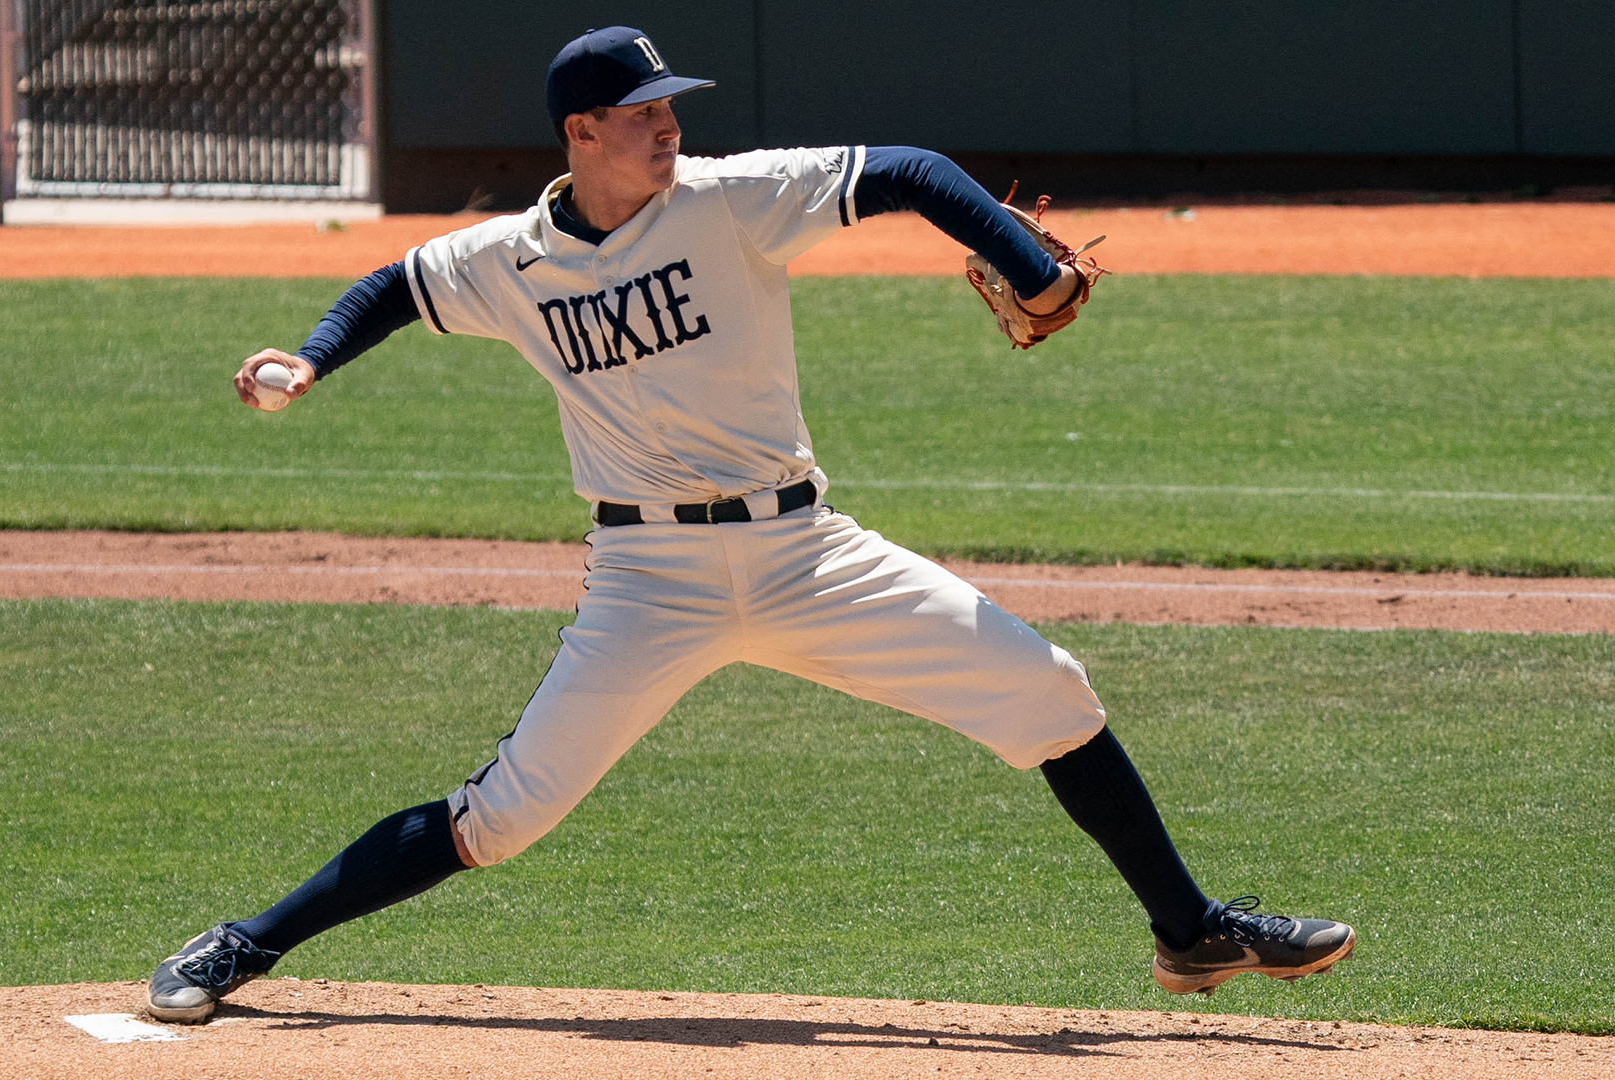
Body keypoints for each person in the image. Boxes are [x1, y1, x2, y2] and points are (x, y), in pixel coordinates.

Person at [146, 26, 1353, 1023]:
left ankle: (1190, 933)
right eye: (644, 110)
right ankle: (243, 946)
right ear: (582, 133)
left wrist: (1026, 268)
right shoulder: (507, 261)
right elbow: (393, 287)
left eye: (673, 104)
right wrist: (307, 362)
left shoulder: (729, 201)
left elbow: (913, 171)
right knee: (501, 819)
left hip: (805, 555)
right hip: (645, 578)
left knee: (1053, 692)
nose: (670, 124)